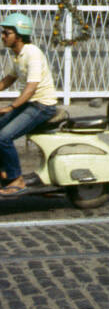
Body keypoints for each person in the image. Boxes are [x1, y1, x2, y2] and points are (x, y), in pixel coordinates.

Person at [0, 13, 60, 197]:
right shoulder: (18, 55)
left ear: (19, 35)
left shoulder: (32, 53)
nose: (3, 36)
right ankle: (4, 172)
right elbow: (9, 79)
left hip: (42, 105)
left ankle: (17, 179)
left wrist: (11, 107)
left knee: (3, 137)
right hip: (30, 104)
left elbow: (31, 88)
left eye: (7, 33)